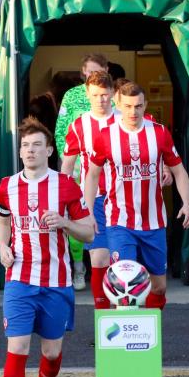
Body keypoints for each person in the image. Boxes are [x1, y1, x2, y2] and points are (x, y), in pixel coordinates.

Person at [0, 117, 95, 377]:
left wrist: (65, 222)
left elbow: (89, 233)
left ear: (49, 150)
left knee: (51, 354)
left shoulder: (66, 185)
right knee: (17, 349)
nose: (29, 151)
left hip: (56, 282)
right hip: (19, 280)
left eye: (36, 145)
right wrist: (2, 247)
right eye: (25, 145)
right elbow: (1, 221)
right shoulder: (6, 186)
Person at [84, 82, 189, 312]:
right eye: (127, 106)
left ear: (145, 105)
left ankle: (149, 335)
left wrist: (188, 203)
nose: (133, 112)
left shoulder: (159, 133)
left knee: (159, 288)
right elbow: (92, 174)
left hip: (153, 222)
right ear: (118, 105)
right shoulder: (106, 136)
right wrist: (88, 211)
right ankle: (125, 341)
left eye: (138, 106)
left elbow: (179, 171)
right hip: (119, 222)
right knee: (124, 285)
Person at [60, 70, 118, 310]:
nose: (101, 100)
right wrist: (61, 199)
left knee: (122, 261)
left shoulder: (125, 119)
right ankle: (103, 319)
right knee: (99, 258)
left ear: (113, 94)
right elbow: (67, 165)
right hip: (93, 200)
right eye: (95, 95)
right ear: (87, 94)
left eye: (105, 95)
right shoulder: (79, 125)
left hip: (124, 200)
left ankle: (125, 316)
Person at [54, 53, 109, 290]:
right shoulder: (72, 96)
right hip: (79, 172)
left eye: (97, 71)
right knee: (77, 219)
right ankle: (78, 266)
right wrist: (68, 164)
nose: (92, 76)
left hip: (112, 180)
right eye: (88, 72)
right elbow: (61, 131)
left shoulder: (115, 98)